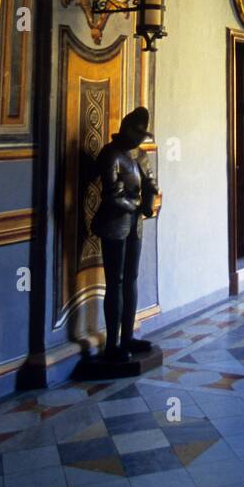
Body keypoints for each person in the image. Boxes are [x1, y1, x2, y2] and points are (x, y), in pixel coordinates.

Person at [91, 107, 160, 359]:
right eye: (138, 133)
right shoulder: (111, 155)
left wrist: (149, 201)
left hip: (134, 223)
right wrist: (136, 206)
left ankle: (128, 336)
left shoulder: (139, 155)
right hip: (114, 222)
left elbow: (150, 182)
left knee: (131, 278)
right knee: (115, 281)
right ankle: (112, 344)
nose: (140, 139)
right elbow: (111, 195)